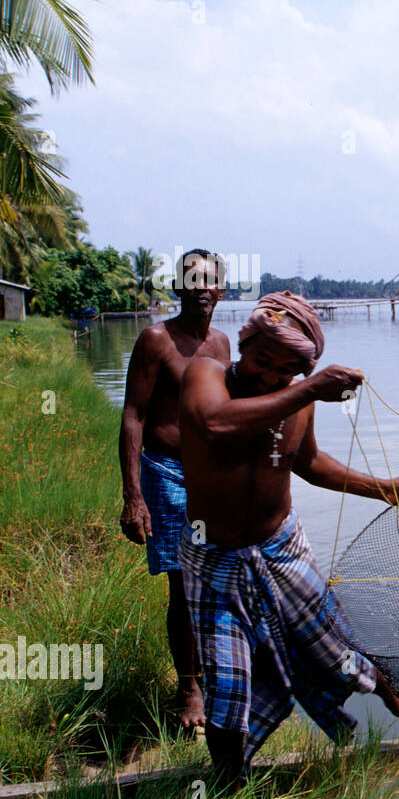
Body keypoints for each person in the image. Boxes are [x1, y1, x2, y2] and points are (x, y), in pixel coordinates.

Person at [177, 291, 399, 790]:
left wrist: (383, 489)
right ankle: (229, 788)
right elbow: (213, 424)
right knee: (228, 688)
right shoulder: (206, 374)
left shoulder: (298, 399)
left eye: (284, 370)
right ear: (244, 345)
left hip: (282, 547)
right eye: (261, 359)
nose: (267, 375)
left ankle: (393, 699)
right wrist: (309, 387)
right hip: (215, 558)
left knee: (335, 641)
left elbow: (309, 464)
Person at [118, 249, 231, 728]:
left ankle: (215, 674)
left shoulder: (223, 344)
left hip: (213, 478)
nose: (202, 288)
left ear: (221, 290)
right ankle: (188, 689)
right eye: (193, 280)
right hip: (165, 477)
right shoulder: (156, 340)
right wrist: (132, 496)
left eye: (211, 280)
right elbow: (133, 416)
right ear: (178, 288)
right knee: (183, 587)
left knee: (218, 584)